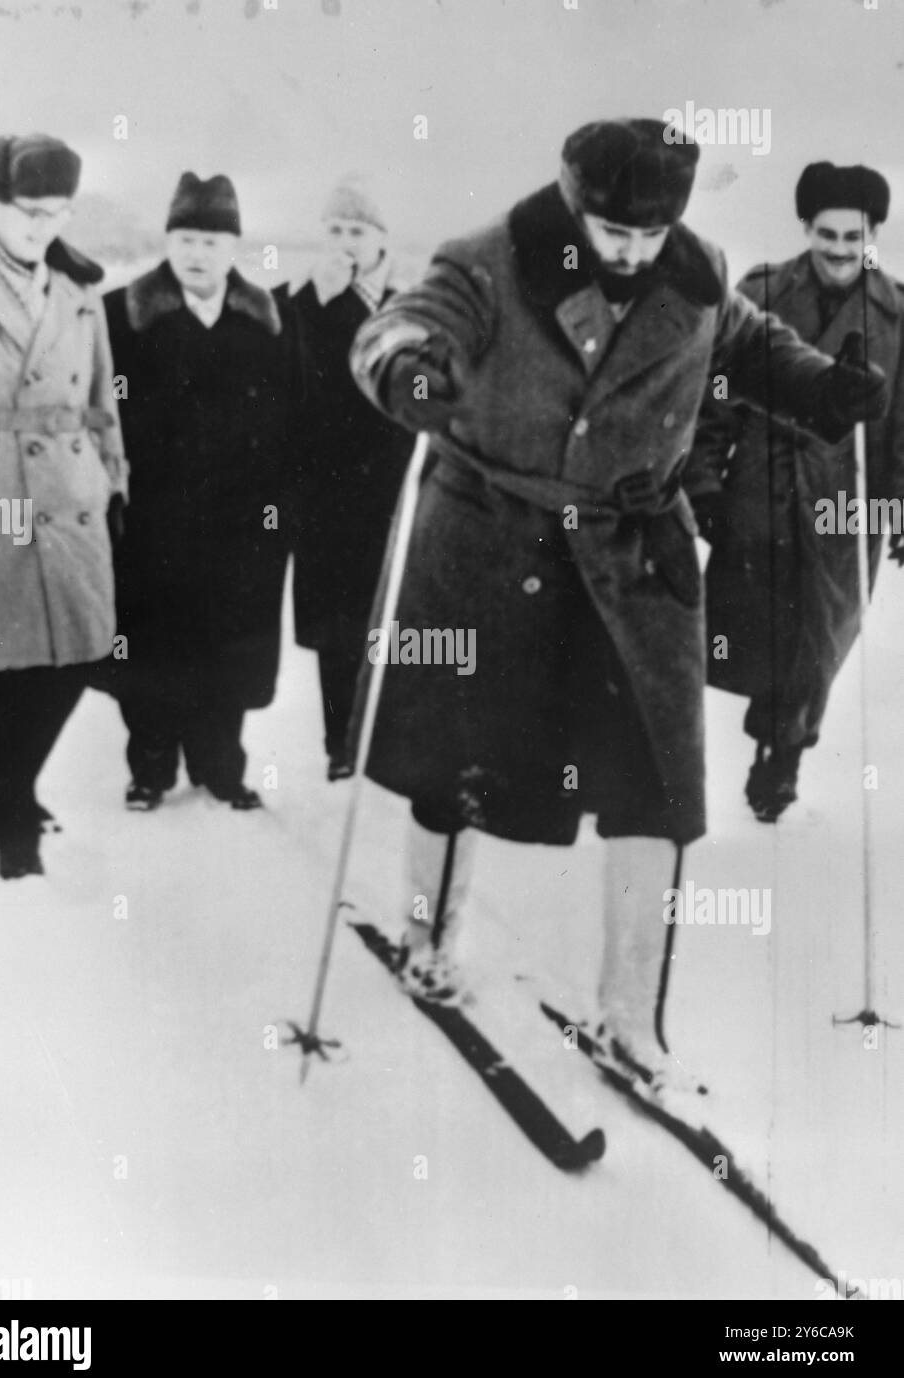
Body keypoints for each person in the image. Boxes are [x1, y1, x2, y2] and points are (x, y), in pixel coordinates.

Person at [348, 119, 886, 1105]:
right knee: (457, 767)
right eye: (610, 231)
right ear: (572, 203)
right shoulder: (490, 259)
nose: (632, 250)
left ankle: (630, 1019)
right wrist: (407, 369)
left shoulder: (695, 271)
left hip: (635, 556)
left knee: (658, 790)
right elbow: (404, 323)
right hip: (493, 545)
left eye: (649, 233)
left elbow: (746, 341)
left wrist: (820, 385)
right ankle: (427, 937)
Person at [686, 163, 904, 822]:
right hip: (762, 489)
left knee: (819, 641)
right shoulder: (761, 293)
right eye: (827, 234)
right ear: (806, 228)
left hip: (847, 504)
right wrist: (702, 482)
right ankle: (670, 761)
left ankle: (781, 756)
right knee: (738, 629)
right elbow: (714, 397)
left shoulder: (899, 314)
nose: (840, 249)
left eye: (854, 236)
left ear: (873, 234)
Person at [0, 133, 127, 879]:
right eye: (27, 213)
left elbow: (103, 397)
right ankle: (13, 830)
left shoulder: (79, 289)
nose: (43, 227)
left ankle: (4, 781)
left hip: (72, 488)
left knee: (74, 655)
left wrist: (115, 481)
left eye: (57, 213)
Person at [103, 173, 298, 811]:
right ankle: (150, 769)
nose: (196, 253)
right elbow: (99, 412)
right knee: (154, 648)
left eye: (211, 241)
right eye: (185, 238)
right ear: (167, 240)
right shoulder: (122, 316)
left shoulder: (269, 321)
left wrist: (276, 516)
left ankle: (221, 767)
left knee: (230, 647)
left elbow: (292, 417)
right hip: (154, 521)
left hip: (240, 526)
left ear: (233, 247)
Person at [285, 175, 414, 780]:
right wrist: (320, 303)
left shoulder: (410, 301)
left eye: (357, 231)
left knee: (392, 618)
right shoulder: (298, 299)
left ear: (381, 239)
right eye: (334, 230)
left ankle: (386, 742)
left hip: (394, 489)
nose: (344, 242)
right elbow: (296, 381)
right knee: (337, 628)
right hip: (325, 489)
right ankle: (341, 744)